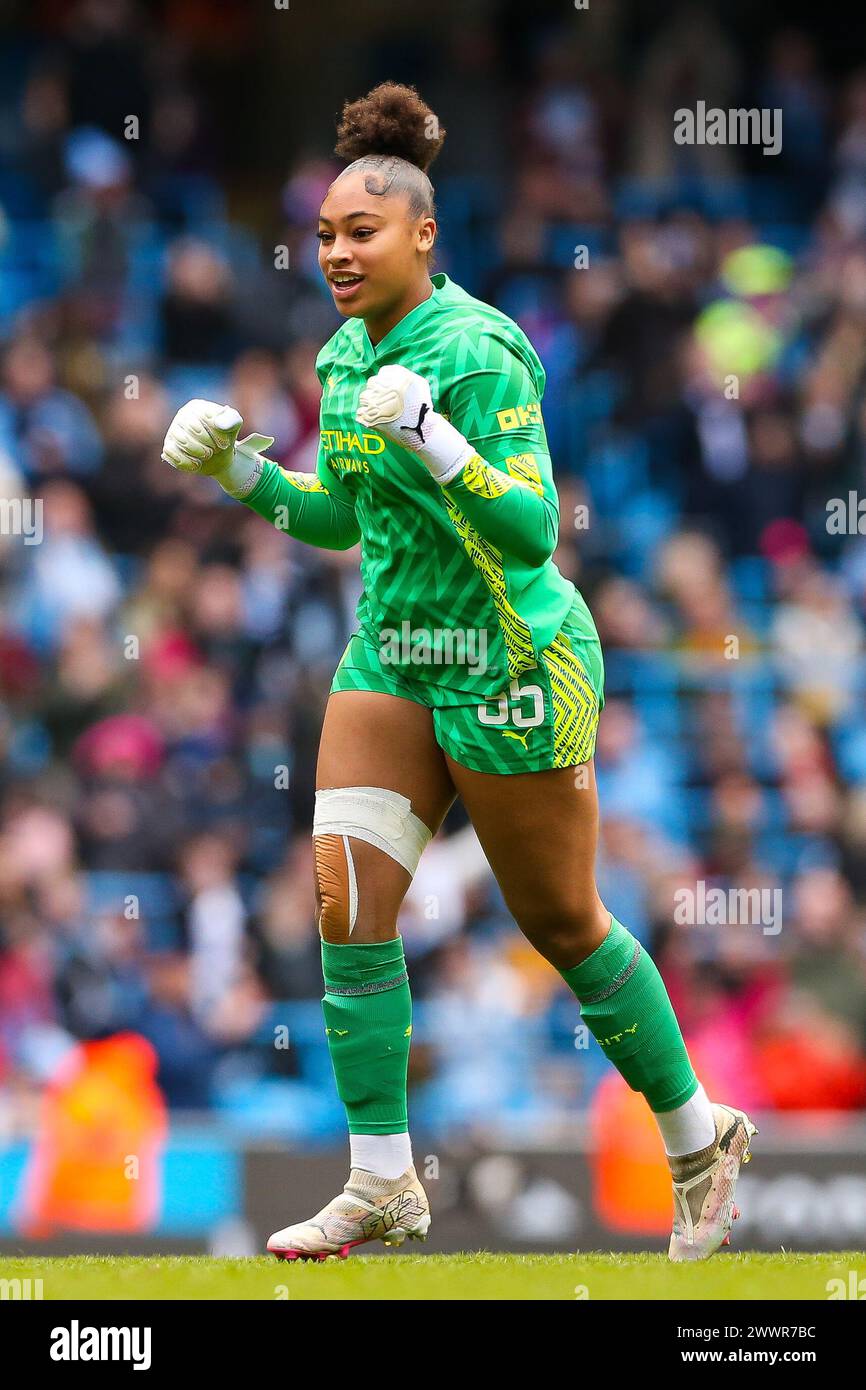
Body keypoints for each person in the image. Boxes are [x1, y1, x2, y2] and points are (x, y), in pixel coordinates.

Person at [160, 82, 756, 1262]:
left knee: (563, 923)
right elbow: (342, 517)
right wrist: (241, 472)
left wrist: (434, 436)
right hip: (394, 650)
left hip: (507, 657)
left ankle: (697, 1138)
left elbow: (532, 530)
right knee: (345, 897)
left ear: (422, 234)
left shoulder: (479, 352)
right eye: (324, 235)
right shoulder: (340, 355)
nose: (336, 253)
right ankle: (382, 1178)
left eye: (360, 231)